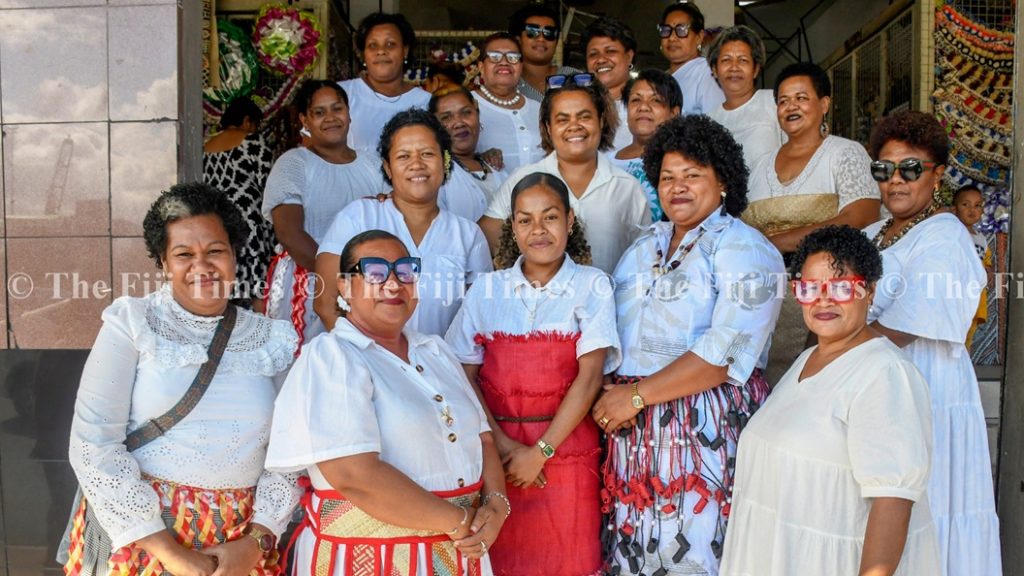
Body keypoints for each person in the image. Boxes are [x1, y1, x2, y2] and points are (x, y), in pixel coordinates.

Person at [64, 183, 301, 576]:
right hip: (144, 538)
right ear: (162, 262)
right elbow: (92, 445)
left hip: (239, 545)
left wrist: (256, 540)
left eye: (215, 251)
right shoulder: (133, 323)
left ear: (234, 254)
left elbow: (291, 453)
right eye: (183, 254)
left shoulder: (272, 340)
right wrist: (170, 554)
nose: (202, 266)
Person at [592, 115, 784, 576]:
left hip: (703, 427)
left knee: (696, 546)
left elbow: (726, 352)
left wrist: (635, 396)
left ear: (722, 182)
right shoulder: (642, 247)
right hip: (633, 427)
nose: (677, 187)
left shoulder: (745, 248)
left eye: (693, 175)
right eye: (667, 177)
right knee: (636, 545)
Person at [266, 230, 508, 576]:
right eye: (375, 272)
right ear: (346, 288)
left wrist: (497, 506)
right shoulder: (331, 356)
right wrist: (456, 522)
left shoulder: (436, 351)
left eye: (405, 271)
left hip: (460, 549)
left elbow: (482, 437)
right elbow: (353, 474)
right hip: (371, 558)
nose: (394, 285)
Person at [720, 225, 940, 576]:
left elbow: (892, 500)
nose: (823, 299)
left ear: (868, 290)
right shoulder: (807, 360)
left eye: (840, 286)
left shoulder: (884, 374)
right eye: (809, 288)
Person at [446, 173, 620, 576]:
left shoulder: (592, 285)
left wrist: (540, 452)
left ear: (570, 221)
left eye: (550, 217)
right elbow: (463, 378)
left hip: (567, 452)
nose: (538, 230)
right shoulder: (486, 290)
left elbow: (590, 377)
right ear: (512, 227)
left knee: (570, 558)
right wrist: (504, 448)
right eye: (525, 220)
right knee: (504, 559)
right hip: (497, 457)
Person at [864, 111, 1001, 576]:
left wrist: (832, 354)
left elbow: (906, 325)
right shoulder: (873, 234)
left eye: (910, 168)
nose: (895, 180)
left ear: (937, 173)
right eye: (883, 169)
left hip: (925, 389)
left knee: (931, 510)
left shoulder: (945, 235)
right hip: (873, 386)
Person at [745, 62, 880, 385]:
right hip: (765, 298)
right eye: (783, 100)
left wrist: (777, 241)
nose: (791, 106)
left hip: (821, 298)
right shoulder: (760, 166)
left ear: (824, 104)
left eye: (801, 98)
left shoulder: (845, 153)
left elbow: (860, 216)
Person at [314, 108, 492, 337]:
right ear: (388, 167)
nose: (416, 164)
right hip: (366, 366)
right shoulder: (358, 217)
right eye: (403, 156)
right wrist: (373, 362)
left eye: (427, 154)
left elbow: (479, 318)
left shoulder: (468, 235)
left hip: (439, 367)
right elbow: (326, 303)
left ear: (445, 161)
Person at [479, 75, 650, 274]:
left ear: (601, 121)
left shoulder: (626, 187)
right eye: (562, 119)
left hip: (608, 301)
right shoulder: (524, 179)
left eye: (584, 117)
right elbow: (486, 236)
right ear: (548, 128)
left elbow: (645, 257)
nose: (574, 125)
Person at [262, 80, 385, 346]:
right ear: (305, 120)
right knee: (311, 371)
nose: (330, 118)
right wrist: (342, 284)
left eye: (337, 109)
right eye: (319, 112)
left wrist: (365, 284)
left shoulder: (373, 165)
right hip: (310, 283)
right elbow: (290, 233)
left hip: (371, 285)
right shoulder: (294, 163)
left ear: (349, 113)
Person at [203, 97, 276, 308]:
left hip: (217, 224)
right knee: (257, 288)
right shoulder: (252, 142)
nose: (255, 129)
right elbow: (268, 184)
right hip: (249, 223)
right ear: (246, 120)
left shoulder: (205, 147)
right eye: (255, 123)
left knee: (224, 283)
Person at [340, 12, 431, 154]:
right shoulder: (342, 94)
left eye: (390, 44)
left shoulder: (427, 102)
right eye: (372, 45)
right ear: (364, 54)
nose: (381, 51)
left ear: (405, 51)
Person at [707, 25, 786, 170]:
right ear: (714, 70)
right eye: (726, 60)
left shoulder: (775, 102)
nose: (734, 67)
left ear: (756, 69)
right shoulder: (709, 121)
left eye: (743, 60)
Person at [611, 69, 683, 222]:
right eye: (636, 100)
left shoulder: (684, 163)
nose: (643, 107)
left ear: (674, 113)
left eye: (656, 100)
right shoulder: (606, 164)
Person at [431, 85, 511, 222]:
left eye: (466, 113)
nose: (459, 123)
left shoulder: (495, 166)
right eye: (446, 117)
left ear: (478, 115)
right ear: (434, 125)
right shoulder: (436, 173)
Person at [472, 32, 544, 173]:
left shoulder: (540, 109)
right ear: (481, 67)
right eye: (495, 57)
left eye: (513, 57)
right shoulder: (466, 107)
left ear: (521, 67)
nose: (504, 62)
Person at [581, 16, 637, 150]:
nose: (601, 60)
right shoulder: (579, 105)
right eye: (593, 54)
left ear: (629, 56)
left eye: (610, 51)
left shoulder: (647, 102)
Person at [659, 2, 725, 115]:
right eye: (666, 30)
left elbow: (715, 125)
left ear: (699, 37)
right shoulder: (660, 79)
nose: (672, 38)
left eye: (681, 30)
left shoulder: (707, 73)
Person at [509, 4, 579, 103]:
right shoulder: (507, 82)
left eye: (549, 33)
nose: (541, 38)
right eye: (532, 31)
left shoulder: (575, 77)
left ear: (556, 42)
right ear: (518, 39)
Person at [952, 184, 991, 351]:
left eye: (977, 205)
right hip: (956, 294)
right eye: (965, 204)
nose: (971, 209)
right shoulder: (953, 232)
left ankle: (963, 369)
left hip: (975, 295)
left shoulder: (981, 238)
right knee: (954, 334)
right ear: (954, 208)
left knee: (968, 336)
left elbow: (987, 263)